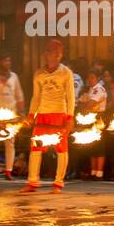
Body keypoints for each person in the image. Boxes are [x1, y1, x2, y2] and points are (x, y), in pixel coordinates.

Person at [22, 38, 74, 193]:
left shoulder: (66, 73)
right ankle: (32, 183)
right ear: (46, 54)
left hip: (59, 114)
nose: (57, 56)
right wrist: (31, 115)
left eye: (59, 53)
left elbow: (70, 97)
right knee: (36, 149)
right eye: (54, 53)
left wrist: (70, 118)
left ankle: (58, 184)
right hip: (42, 115)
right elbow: (36, 97)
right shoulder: (38, 74)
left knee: (61, 149)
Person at [77, 68, 108, 179]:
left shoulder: (99, 89)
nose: (90, 80)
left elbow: (90, 104)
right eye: (88, 77)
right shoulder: (89, 90)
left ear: (97, 78)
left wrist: (84, 106)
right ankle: (93, 171)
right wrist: (83, 106)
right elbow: (79, 103)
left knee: (99, 145)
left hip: (98, 117)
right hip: (89, 117)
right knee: (92, 145)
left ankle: (99, 172)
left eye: (92, 77)